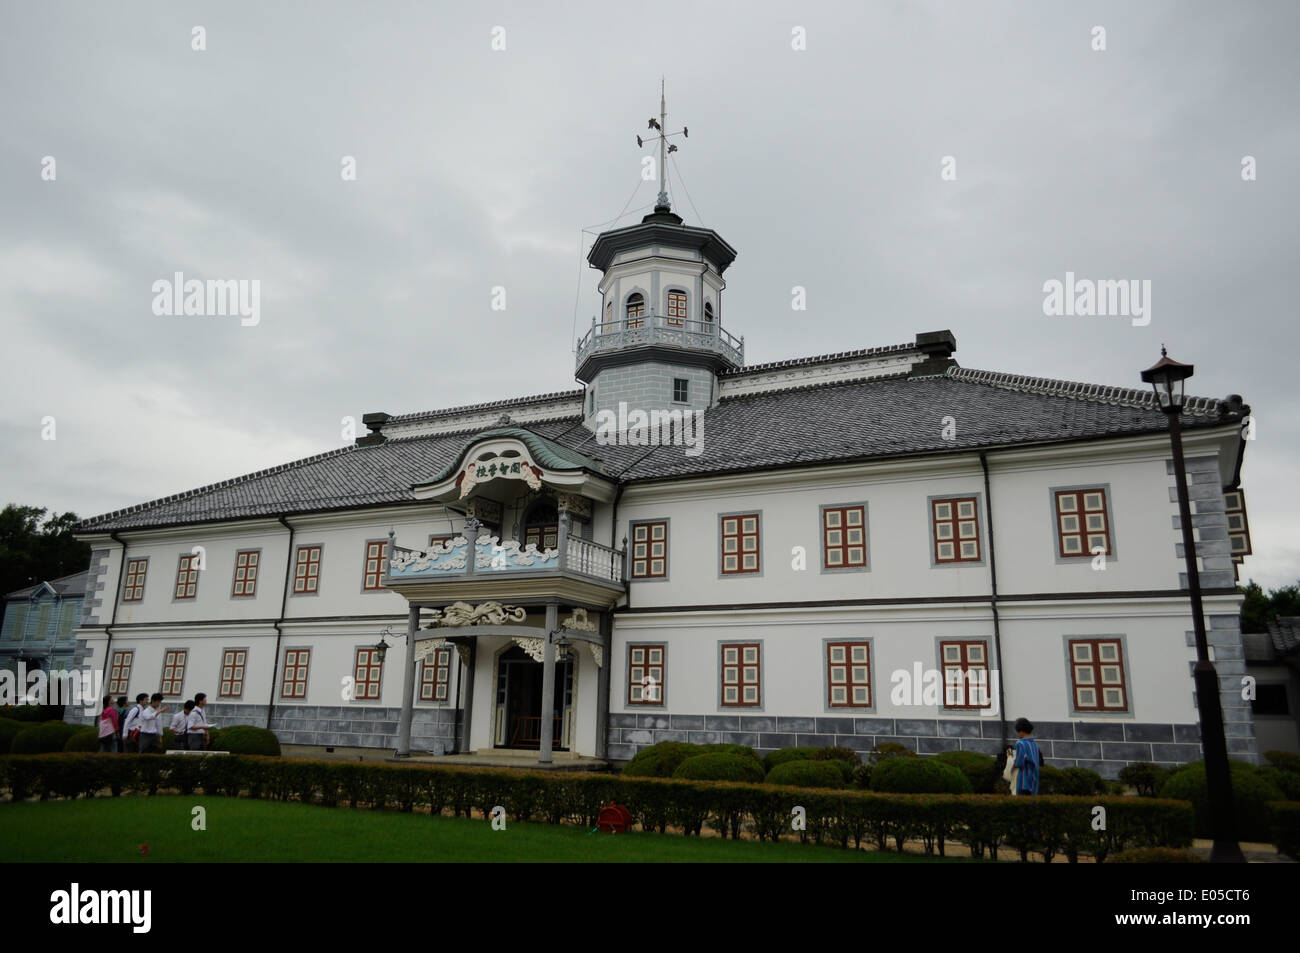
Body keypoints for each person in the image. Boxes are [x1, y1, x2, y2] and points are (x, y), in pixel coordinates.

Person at [1009, 717, 1043, 796]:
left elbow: (1019, 763)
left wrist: (1010, 758)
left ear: (1021, 731)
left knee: (1022, 801)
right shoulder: (1034, 743)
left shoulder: (1020, 743)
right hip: (1034, 779)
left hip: (1024, 781)